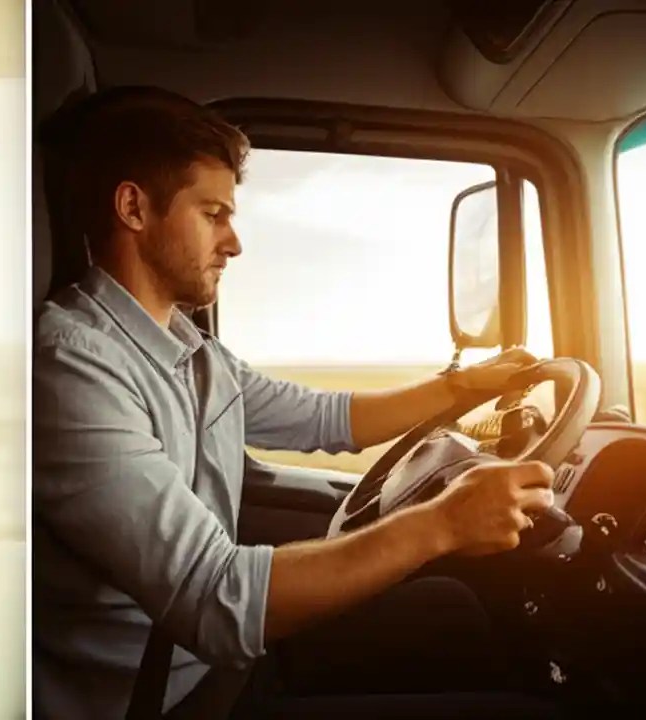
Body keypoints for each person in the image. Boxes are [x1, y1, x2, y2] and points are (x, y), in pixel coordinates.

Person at [33, 86, 560, 719]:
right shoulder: (73, 366)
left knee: (454, 612)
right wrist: (444, 522)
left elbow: (324, 417)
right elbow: (214, 597)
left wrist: (458, 387)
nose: (234, 242)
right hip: (162, 699)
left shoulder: (191, 349)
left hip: (212, 662)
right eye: (212, 214)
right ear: (133, 208)